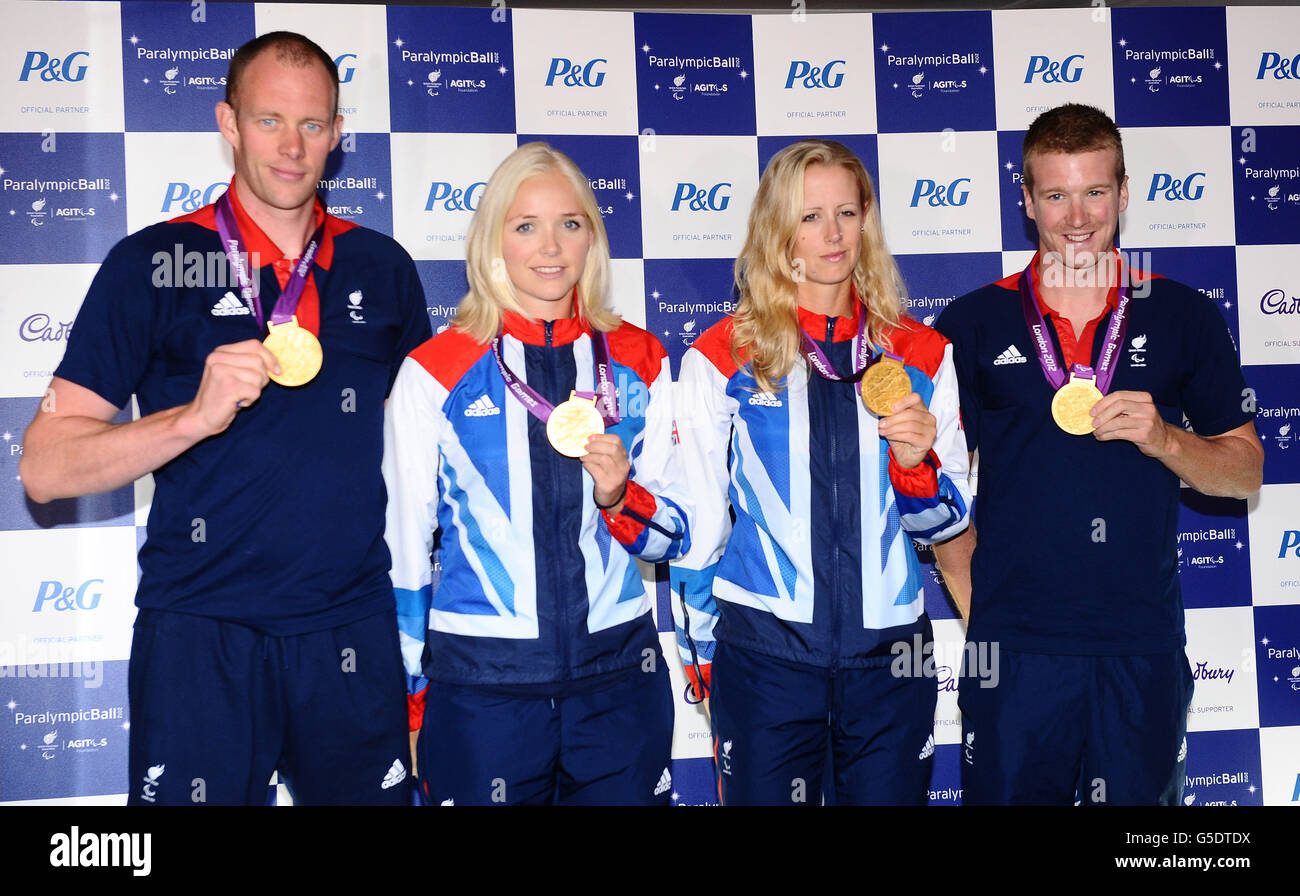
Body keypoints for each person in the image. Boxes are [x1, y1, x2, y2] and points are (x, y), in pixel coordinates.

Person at [20, 32, 430, 805]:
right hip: (200, 632)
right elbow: (44, 468)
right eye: (269, 120)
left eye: (313, 125)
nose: (291, 146)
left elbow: (429, 454)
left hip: (350, 628)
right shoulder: (154, 263)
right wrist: (191, 418)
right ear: (228, 123)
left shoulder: (383, 267)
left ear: (338, 134)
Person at [933, 103, 1264, 806]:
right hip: (1014, 652)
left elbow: (1244, 472)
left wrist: (1164, 439)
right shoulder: (970, 322)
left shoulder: (1182, 314)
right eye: (1055, 195)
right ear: (1025, 200)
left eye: (1095, 192)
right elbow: (931, 487)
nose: (1077, 217)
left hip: (1139, 646)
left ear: (1124, 191)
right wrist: (983, 613)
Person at [382, 142, 690, 806]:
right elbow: (403, 551)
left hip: (619, 683)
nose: (550, 246)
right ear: (494, 240)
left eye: (570, 224)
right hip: (482, 691)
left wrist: (621, 498)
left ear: (592, 238)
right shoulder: (435, 370)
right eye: (526, 226)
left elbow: (676, 538)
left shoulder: (640, 358)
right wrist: (409, 701)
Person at [670, 140, 971, 806]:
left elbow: (945, 523)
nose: (831, 235)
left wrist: (918, 466)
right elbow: (696, 526)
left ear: (868, 219)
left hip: (893, 662)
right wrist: (703, 658)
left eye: (846, 212)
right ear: (778, 230)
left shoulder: (922, 354)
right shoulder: (723, 355)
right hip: (765, 660)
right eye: (809, 216)